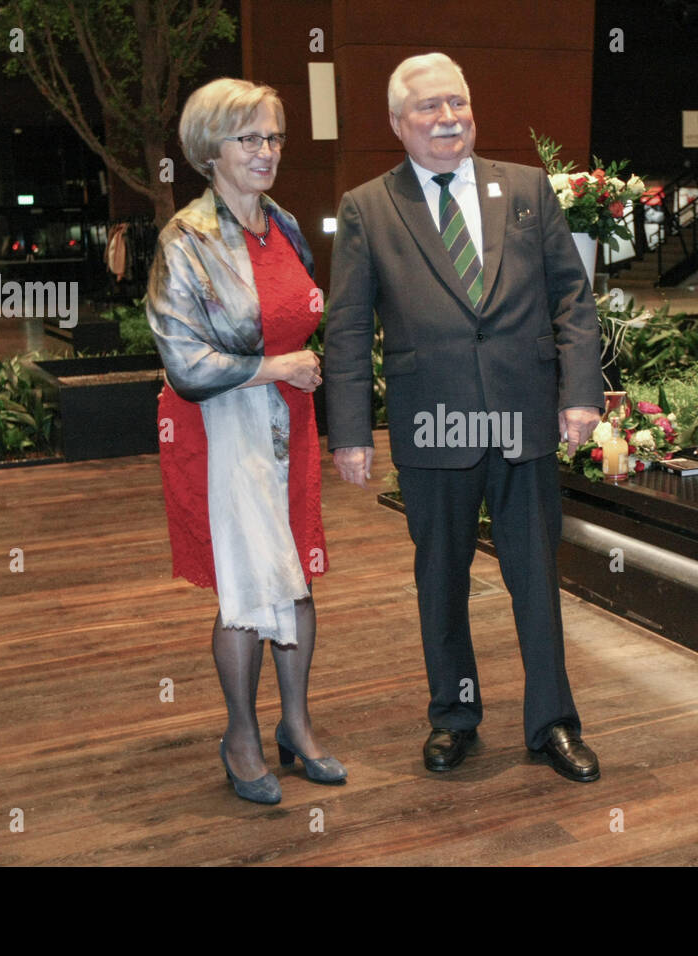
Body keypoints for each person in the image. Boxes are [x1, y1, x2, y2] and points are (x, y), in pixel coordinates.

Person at [325, 53, 605, 782]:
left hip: (523, 422)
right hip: (432, 426)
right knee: (441, 580)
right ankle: (455, 716)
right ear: (397, 123)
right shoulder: (367, 208)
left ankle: (552, 725)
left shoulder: (526, 190)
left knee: (536, 579)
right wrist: (351, 432)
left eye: (459, 103)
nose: (449, 119)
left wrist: (579, 393)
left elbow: (572, 297)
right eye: (430, 108)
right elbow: (348, 330)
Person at [146, 78, 346, 805]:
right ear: (210, 150)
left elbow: (301, 311)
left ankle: (296, 726)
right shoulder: (185, 240)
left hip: (287, 427)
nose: (268, 152)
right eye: (250, 139)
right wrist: (274, 366)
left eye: (274, 138)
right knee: (244, 583)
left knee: (295, 573)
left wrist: (295, 368)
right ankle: (241, 737)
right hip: (217, 431)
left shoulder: (285, 225)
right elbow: (184, 360)